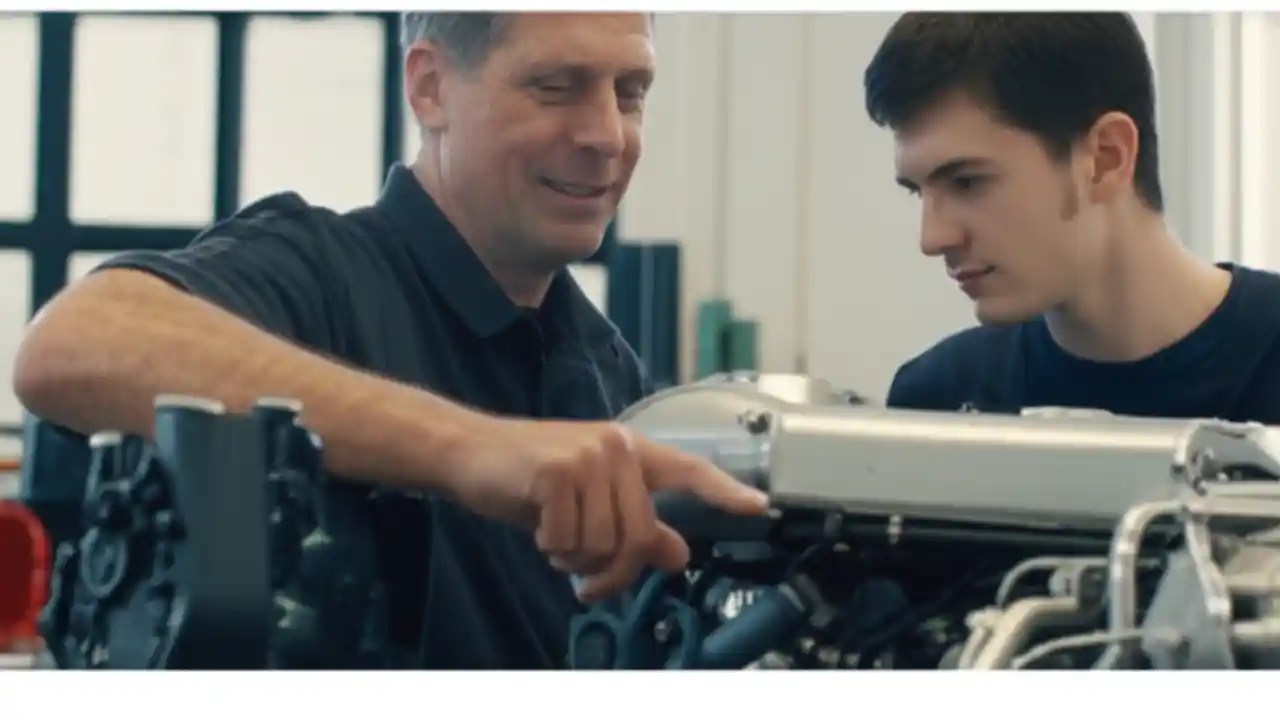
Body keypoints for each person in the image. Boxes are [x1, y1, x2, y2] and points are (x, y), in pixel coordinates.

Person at [11, 12, 767, 669]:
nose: (608, 135)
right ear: (430, 87)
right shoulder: (322, 275)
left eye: (630, 92)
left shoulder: (607, 370)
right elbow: (73, 342)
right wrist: (479, 450)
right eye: (556, 86)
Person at [863, 12, 1280, 423]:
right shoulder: (938, 399)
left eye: (968, 182)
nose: (932, 238)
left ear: (1105, 158)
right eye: (918, 191)